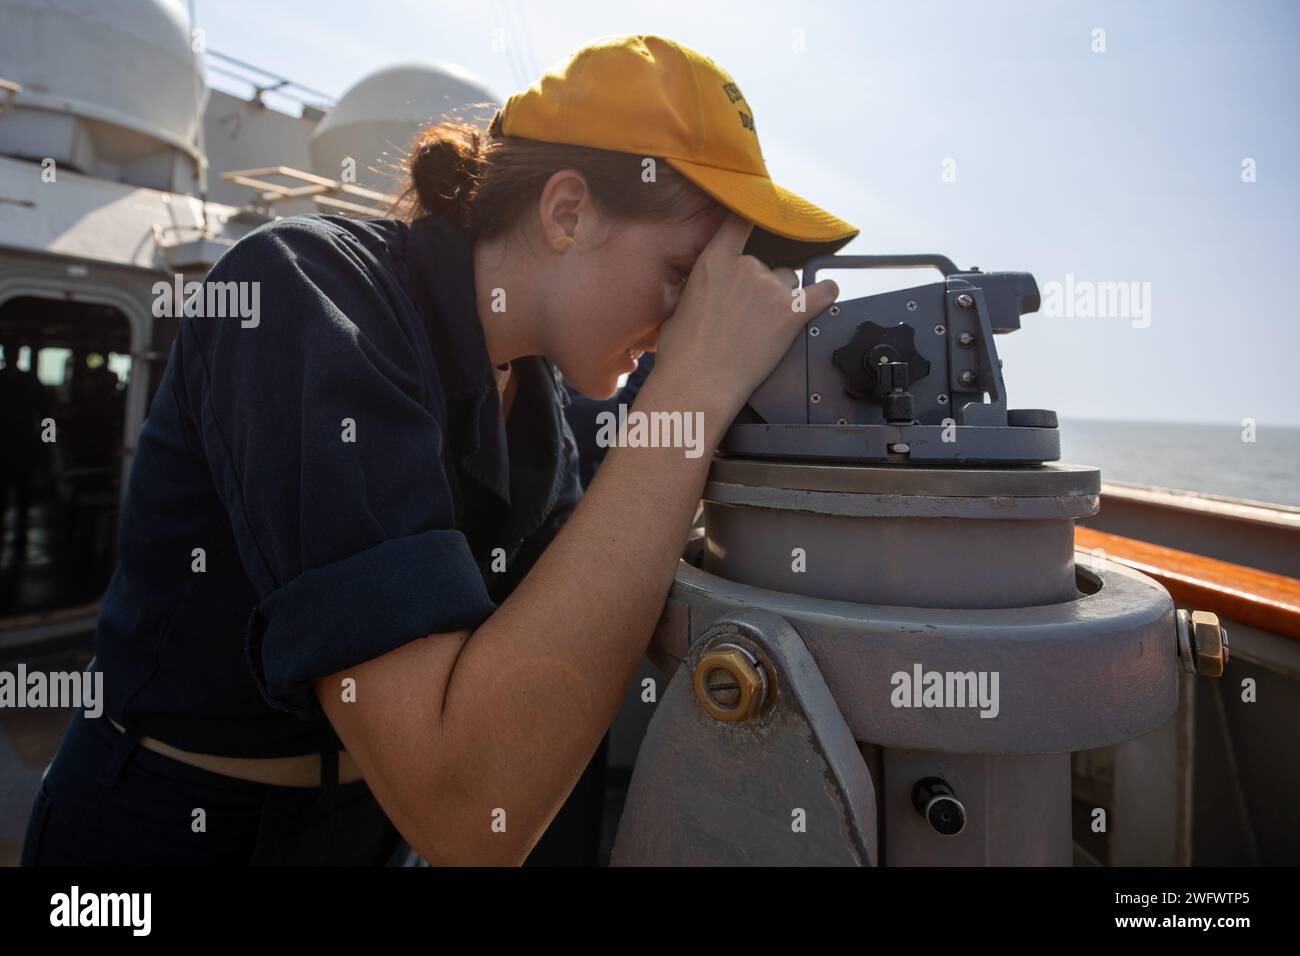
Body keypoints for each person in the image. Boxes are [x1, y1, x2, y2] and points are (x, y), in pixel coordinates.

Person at [20, 34, 854, 866]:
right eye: (682, 273)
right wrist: (693, 394)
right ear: (567, 212)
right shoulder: (301, 296)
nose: (688, 324)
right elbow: (467, 805)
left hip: (365, 831)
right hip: (176, 831)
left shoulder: (536, 406)